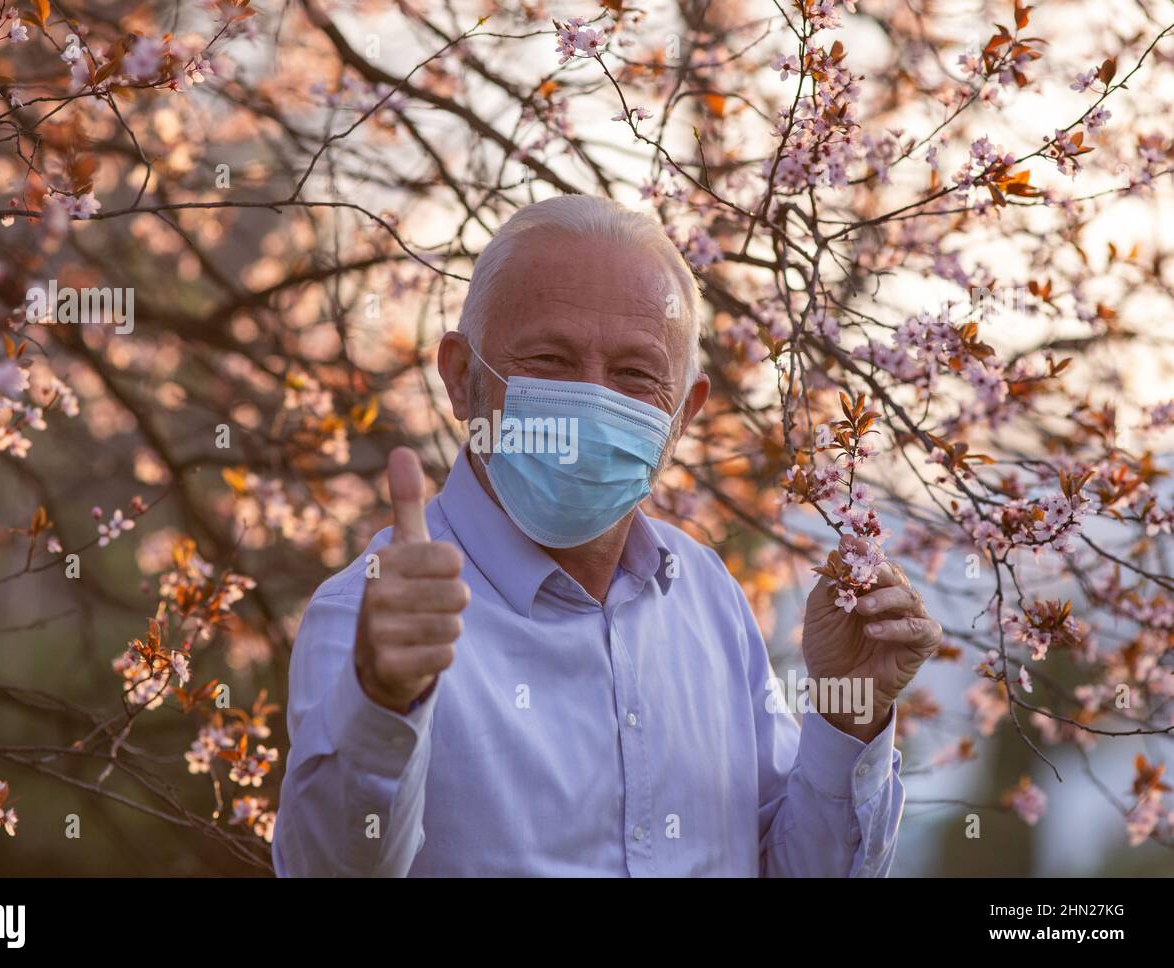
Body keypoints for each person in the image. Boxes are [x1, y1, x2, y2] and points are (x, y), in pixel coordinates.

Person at [272, 194, 942, 876]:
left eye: (634, 375)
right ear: (460, 377)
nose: (592, 401)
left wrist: (846, 712)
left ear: (683, 414)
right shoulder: (371, 617)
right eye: (550, 361)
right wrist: (383, 701)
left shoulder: (707, 598)